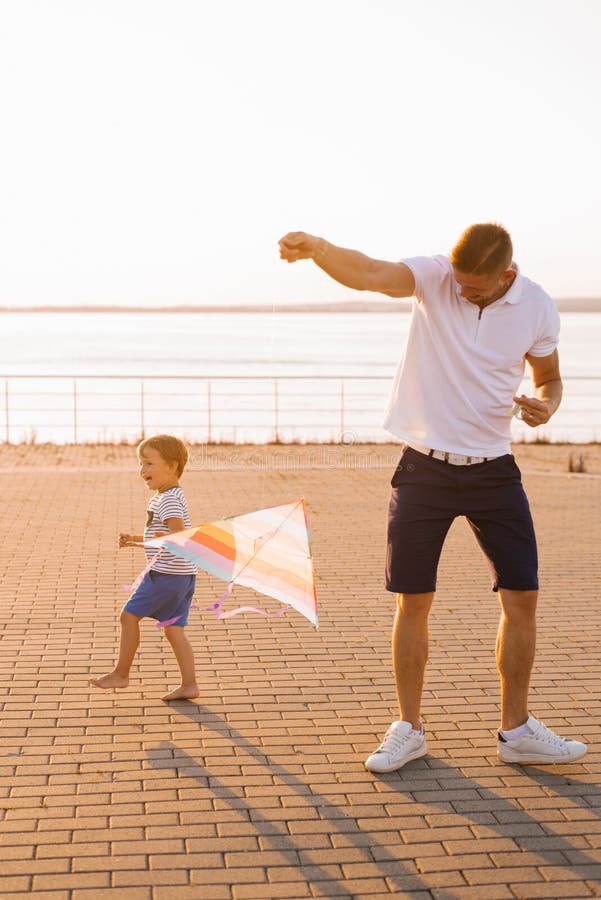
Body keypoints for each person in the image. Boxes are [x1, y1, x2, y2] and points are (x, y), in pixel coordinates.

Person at [279, 223, 587, 771]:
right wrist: (320, 250)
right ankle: (409, 727)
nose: (460, 290)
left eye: (473, 286)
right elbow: (372, 273)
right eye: (458, 280)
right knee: (413, 600)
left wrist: (548, 404)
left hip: (495, 470)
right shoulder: (436, 276)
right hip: (423, 469)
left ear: (505, 276)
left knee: (522, 599)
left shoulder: (537, 306)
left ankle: (517, 731)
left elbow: (551, 378)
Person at [89, 434, 199, 701]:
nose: (143, 471)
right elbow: (161, 532)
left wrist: (153, 540)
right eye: (141, 464)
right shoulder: (166, 496)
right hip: (182, 575)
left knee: (128, 617)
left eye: (149, 464)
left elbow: (177, 535)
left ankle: (121, 674)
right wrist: (137, 540)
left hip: (166, 575)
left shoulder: (169, 500)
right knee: (174, 630)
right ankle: (189, 685)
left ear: (171, 466)